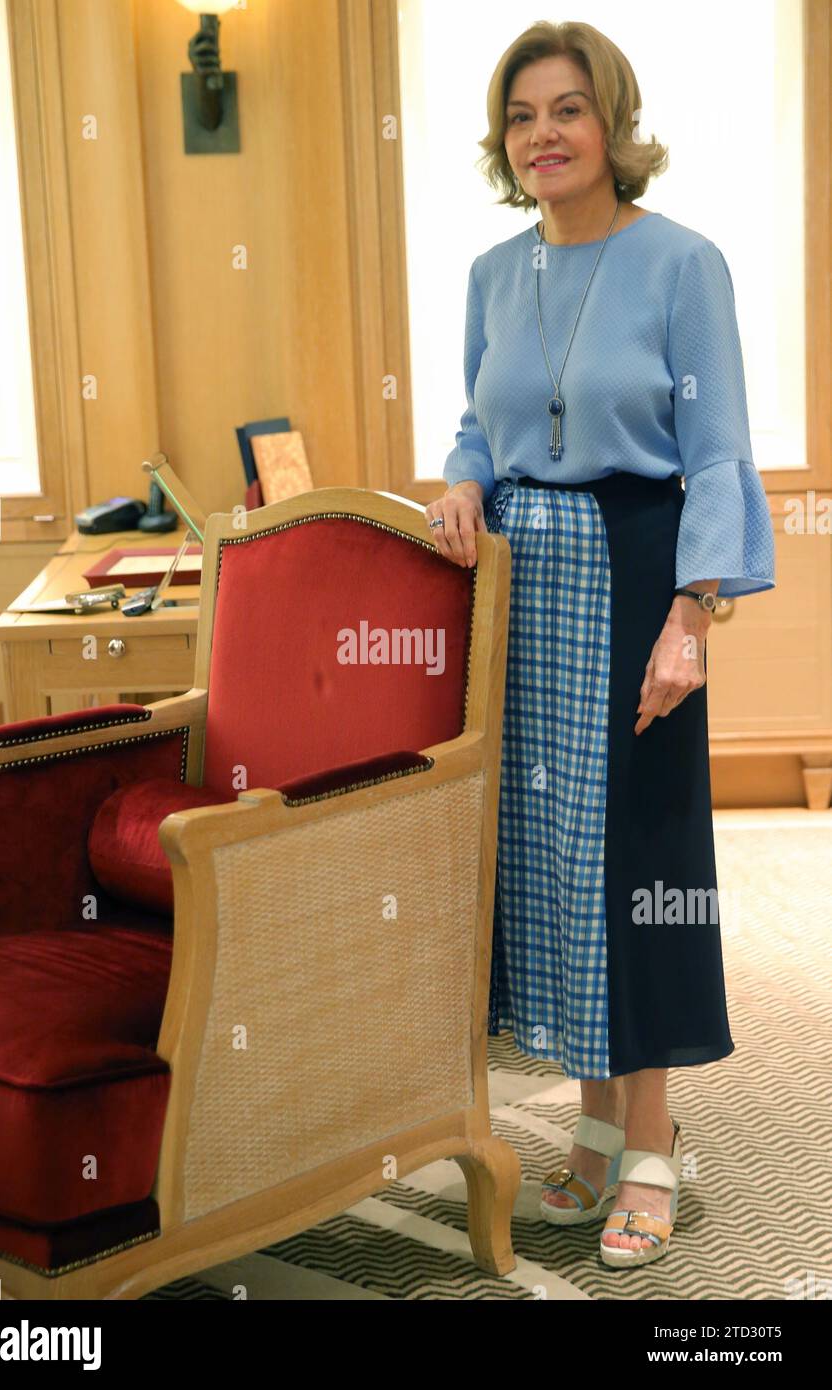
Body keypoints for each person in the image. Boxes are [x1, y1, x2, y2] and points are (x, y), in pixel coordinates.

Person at [424, 19, 775, 1271]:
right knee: (547, 861)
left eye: (568, 110)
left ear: (614, 127)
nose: (544, 135)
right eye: (523, 116)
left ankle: (653, 1142)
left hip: (637, 575)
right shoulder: (489, 273)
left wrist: (693, 615)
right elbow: (481, 421)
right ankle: (583, 1120)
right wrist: (463, 482)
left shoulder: (684, 263)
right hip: (520, 585)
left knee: (639, 855)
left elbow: (720, 449)